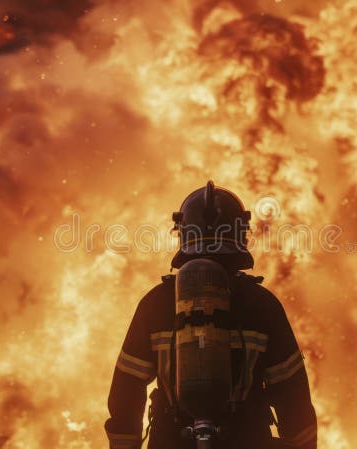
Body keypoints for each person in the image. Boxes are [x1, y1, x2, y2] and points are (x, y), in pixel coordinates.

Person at [105, 181, 317, 449]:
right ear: (241, 235)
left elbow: (126, 391)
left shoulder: (156, 304)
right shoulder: (262, 305)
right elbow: (293, 399)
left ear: (183, 234)